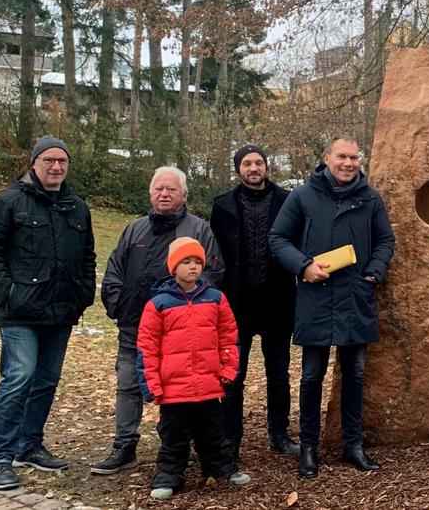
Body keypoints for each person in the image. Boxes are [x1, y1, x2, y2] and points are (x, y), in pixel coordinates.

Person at [0, 136, 96, 490]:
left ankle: (28, 446)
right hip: (20, 314)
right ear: (34, 163)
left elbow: (87, 256)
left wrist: (83, 293)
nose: (56, 167)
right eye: (49, 160)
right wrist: (8, 294)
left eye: (62, 161)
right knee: (19, 377)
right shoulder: (10, 202)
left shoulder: (77, 207)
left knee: (46, 381)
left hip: (61, 311)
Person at [269, 136, 395, 478]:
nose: (348, 163)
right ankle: (308, 448)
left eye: (354, 157)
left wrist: (374, 272)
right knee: (312, 376)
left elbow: (385, 239)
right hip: (317, 298)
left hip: (356, 296)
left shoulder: (370, 198)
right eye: (342, 156)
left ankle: (353, 446)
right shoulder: (303, 196)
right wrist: (303, 265)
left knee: (355, 375)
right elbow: (278, 238)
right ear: (327, 158)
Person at [93, 166, 223, 475]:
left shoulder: (198, 229)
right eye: (158, 189)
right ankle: (124, 445)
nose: (164, 194)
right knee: (128, 385)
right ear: (151, 194)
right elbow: (114, 271)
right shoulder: (134, 229)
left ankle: (175, 447)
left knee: (177, 390)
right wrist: (118, 306)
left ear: (184, 195)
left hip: (180, 332)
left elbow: (212, 275)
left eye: (171, 190)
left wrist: (187, 312)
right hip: (135, 327)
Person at [137, 237, 250, 500]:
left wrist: (228, 369)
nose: (193, 267)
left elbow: (229, 337)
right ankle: (168, 475)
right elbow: (146, 348)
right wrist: (151, 384)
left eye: (197, 262)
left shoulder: (215, 299)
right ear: (173, 267)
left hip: (209, 385)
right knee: (173, 436)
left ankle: (222, 468)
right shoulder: (158, 304)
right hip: (173, 389)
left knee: (213, 431)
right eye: (186, 262)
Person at [210, 145, 299, 460]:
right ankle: (229, 439)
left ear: (266, 166)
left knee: (279, 373)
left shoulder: (287, 201)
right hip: (237, 305)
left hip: (278, 302)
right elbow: (215, 256)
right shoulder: (222, 206)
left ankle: (279, 434)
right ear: (238, 169)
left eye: (259, 162)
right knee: (233, 375)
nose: (253, 168)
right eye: (247, 163)